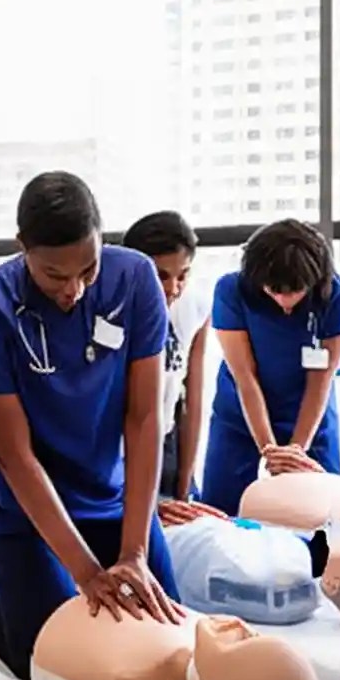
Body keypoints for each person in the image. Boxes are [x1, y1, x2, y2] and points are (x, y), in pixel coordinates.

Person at [0, 171, 184, 680]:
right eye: (54, 275)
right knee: (44, 657)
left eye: (87, 268)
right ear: (22, 250)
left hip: (110, 493)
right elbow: (16, 456)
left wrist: (133, 553)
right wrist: (86, 573)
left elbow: (145, 418)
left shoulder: (134, 280)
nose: (75, 289)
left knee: (163, 637)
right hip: (26, 504)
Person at [201, 219, 340, 517]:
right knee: (220, 514)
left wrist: (297, 451)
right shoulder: (230, 289)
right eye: (274, 290)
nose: (286, 302)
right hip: (240, 414)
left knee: (325, 515)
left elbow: (320, 380)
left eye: (296, 290)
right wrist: (269, 450)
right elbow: (245, 377)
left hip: (310, 414)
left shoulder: (336, 295)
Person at [119, 210, 224, 528]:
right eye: (161, 275)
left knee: (185, 523)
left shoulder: (195, 306)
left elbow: (193, 401)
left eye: (183, 275)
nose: (173, 287)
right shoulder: (114, 308)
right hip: (119, 447)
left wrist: (184, 485)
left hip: (165, 441)